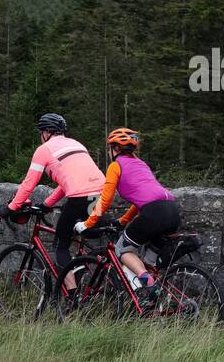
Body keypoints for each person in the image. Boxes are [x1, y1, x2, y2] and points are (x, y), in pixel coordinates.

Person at [74, 127, 179, 303]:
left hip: (153, 214)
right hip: (173, 212)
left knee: (122, 250)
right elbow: (143, 199)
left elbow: (105, 201)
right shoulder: (141, 164)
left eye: (109, 149)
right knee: (147, 262)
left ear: (115, 149)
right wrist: (124, 220)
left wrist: (88, 223)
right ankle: (149, 300)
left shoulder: (116, 166)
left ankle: (149, 285)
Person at [5, 113, 105, 291]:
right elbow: (66, 184)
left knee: (60, 246)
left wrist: (11, 207)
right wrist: (47, 205)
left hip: (79, 197)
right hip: (99, 195)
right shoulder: (77, 144)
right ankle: (84, 268)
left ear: (46, 132)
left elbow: (29, 184)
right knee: (88, 231)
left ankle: (73, 294)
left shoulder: (44, 149)